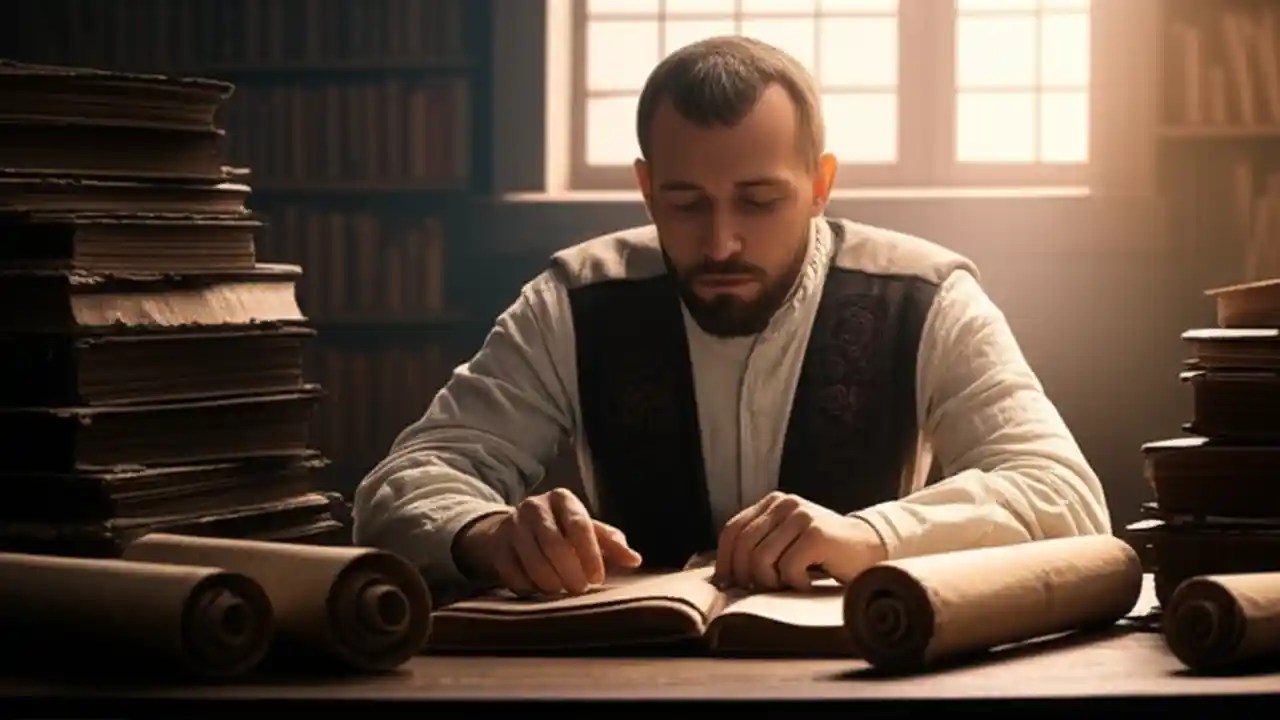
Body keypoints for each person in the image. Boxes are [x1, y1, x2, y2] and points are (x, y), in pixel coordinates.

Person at [352, 36, 1110, 601]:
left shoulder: (927, 296)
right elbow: (400, 488)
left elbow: (1065, 497)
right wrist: (486, 536)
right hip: (620, 678)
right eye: (685, 204)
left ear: (820, 185)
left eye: (758, 200)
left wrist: (873, 536)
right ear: (646, 190)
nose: (720, 242)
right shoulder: (572, 301)